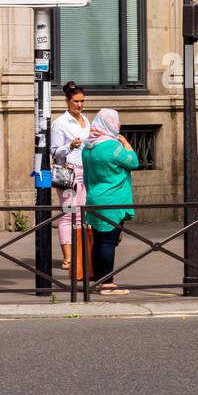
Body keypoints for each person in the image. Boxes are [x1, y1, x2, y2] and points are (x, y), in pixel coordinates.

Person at [81, 108, 139, 296]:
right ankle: (107, 284)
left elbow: (87, 175)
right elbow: (133, 162)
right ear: (109, 124)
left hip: (94, 197)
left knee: (98, 241)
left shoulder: (88, 147)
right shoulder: (113, 147)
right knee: (108, 241)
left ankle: (99, 281)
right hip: (113, 199)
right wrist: (126, 143)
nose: (119, 125)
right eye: (117, 121)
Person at [50, 82, 91, 274]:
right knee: (68, 214)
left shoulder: (85, 120)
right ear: (67, 101)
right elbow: (55, 152)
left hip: (86, 172)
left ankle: (78, 253)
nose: (79, 105)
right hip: (69, 172)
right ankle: (67, 258)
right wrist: (70, 147)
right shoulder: (60, 124)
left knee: (82, 215)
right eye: (76, 101)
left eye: (82, 101)